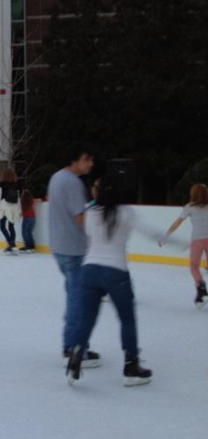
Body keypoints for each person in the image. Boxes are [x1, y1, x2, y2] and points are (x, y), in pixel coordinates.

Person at [66, 175, 160, 387]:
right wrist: (178, 241)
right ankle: (131, 366)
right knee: (127, 319)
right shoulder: (126, 212)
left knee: (86, 318)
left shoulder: (90, 212)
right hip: (115, 272)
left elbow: (87, 233)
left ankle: (76, 357)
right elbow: (152, 232)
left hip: (90, 270)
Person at [47, 145, 100, 367]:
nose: (91, 164)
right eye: (87, 159)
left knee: (74, 296)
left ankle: (74, 344)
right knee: (78, 301)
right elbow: (80, 218)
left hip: (59, 247)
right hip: (73, 249)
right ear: (74, 160)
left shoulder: (56, 178)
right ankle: (73, 348)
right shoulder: (73, 183)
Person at [160, 183, 208, 307]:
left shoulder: (189, 207)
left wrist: (166, 235)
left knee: (194, 266)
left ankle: (201, 288)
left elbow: (177, 223)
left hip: (197, 240)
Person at [0, 168, 22, 255]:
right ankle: (12, 246)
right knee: (11, 227)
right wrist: (19, 210)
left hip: (4, 206)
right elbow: (18, 198)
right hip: (14, 207)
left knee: (2, 226)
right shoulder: (16, 185)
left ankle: (12, 245)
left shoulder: (1, 184)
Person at [19, 189, 37, 254]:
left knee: (24, 232)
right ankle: (32, 246)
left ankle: (27, 245)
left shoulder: (23, 201)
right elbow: (38, 200)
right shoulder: (31, 200)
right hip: (33, 217)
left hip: (27, 217)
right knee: (29, 232)